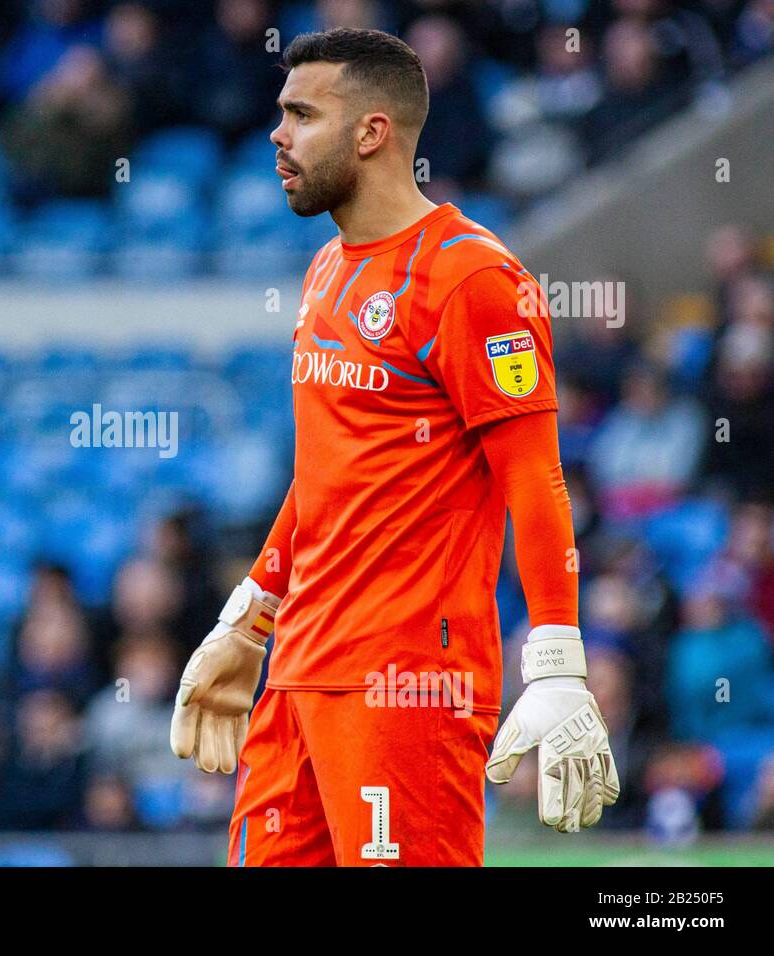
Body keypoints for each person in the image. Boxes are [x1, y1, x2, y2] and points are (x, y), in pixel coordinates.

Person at [171, 28, 618, 867]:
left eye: (302, 114)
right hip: (300, 671)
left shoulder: (475, 281)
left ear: (372, 133)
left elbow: (535, 478)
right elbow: (324, 478)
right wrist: (251, 616)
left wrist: (556, 660)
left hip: (406, 685)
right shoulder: (328, 270)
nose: (278, 134)